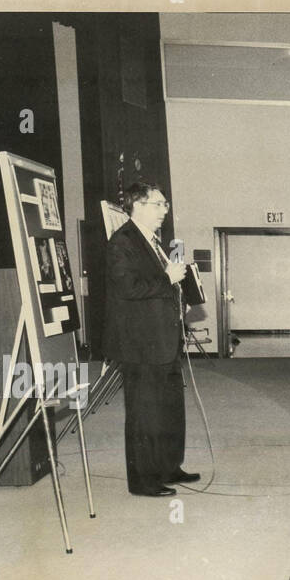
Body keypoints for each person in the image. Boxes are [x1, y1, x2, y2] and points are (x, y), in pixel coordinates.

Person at [104, 180, 199, 496]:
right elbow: (127, 287)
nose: (163, 210)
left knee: (169, 408)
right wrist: (166, 278)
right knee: (145, 412)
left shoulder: (154, 241)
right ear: (137, 206)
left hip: (165, 340)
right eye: (157, 204)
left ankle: (168, 466)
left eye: (165, 205)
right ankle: (143, 480)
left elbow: (157, 286)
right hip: (141, 344)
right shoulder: (123, 242)